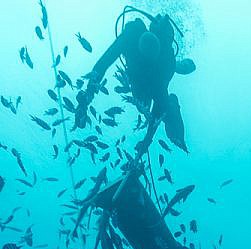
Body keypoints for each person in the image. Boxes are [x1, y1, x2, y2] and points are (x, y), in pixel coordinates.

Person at [74, 10, 196, 154]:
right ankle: (180, 66)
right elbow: (104, 62)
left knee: (167, 106)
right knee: (143, 105)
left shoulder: (164, 66)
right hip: (141, 78)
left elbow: (159, 106)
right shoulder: (131, 35)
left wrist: (147, 140)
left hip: (154, 80)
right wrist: (87, 96)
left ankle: (179, 71)